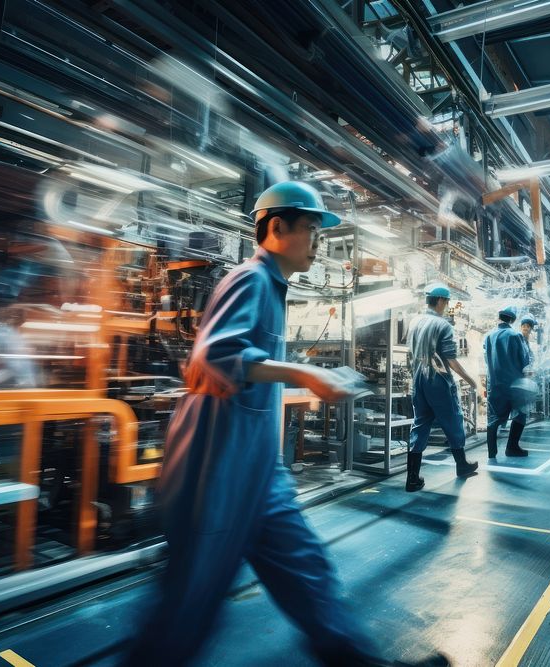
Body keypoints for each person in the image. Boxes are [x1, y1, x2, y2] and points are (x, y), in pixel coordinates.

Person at [124, 181, 449, 667]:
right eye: (313, 230)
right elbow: (215, 356)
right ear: (277, 227)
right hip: (215, 470)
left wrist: (305, 377)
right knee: (186, 607)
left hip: (257, 469)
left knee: (309, 573)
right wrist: (305, 373)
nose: (319, 243)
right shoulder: (250, 279)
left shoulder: (274, 289)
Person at [404, 283, 479, 492]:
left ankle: (412, 478)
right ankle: (461, 465)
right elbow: (450, 359)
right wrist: (470, 380)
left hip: (418, 379)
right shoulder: (443, 325)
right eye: (446, 301)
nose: (447, 305)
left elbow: (410, 352)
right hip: (438, 380)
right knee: (453, 419)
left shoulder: (415, 321)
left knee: (420, 424)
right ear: (440, 300)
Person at [482, 306, 530, 459]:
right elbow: (525, 360)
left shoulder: (488, 336)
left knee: (493, 418)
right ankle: (512, 448)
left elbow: (486, 359)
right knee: (520, 414)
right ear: (513, 319)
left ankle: (491, 453)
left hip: (495, 384)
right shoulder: (515, 335)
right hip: (514, 384)